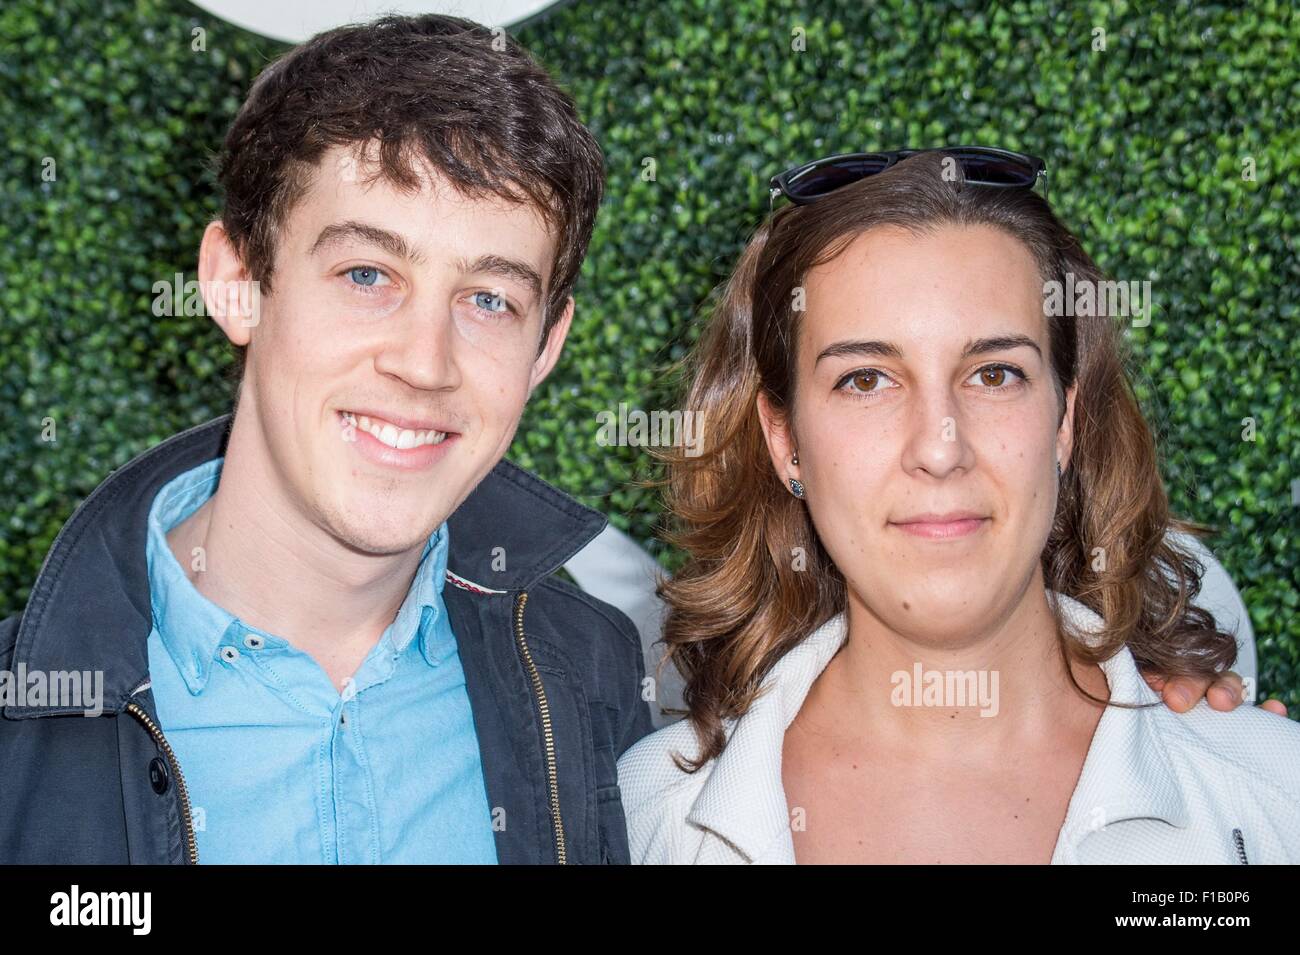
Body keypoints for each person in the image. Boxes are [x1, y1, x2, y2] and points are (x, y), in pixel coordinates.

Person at [0, 13, 653, 864]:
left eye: (489, 298)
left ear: (546, 348)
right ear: (236, 282)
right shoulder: (21, 721)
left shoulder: (592, 676)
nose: (425, 363)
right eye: (367, 274)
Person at [617, 148, 1299, 863]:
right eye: (866, 379)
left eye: (994, 373)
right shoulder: (642, 822)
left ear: (1063, 422)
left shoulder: (1272, 796)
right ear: (786, 441)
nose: (940, 448)